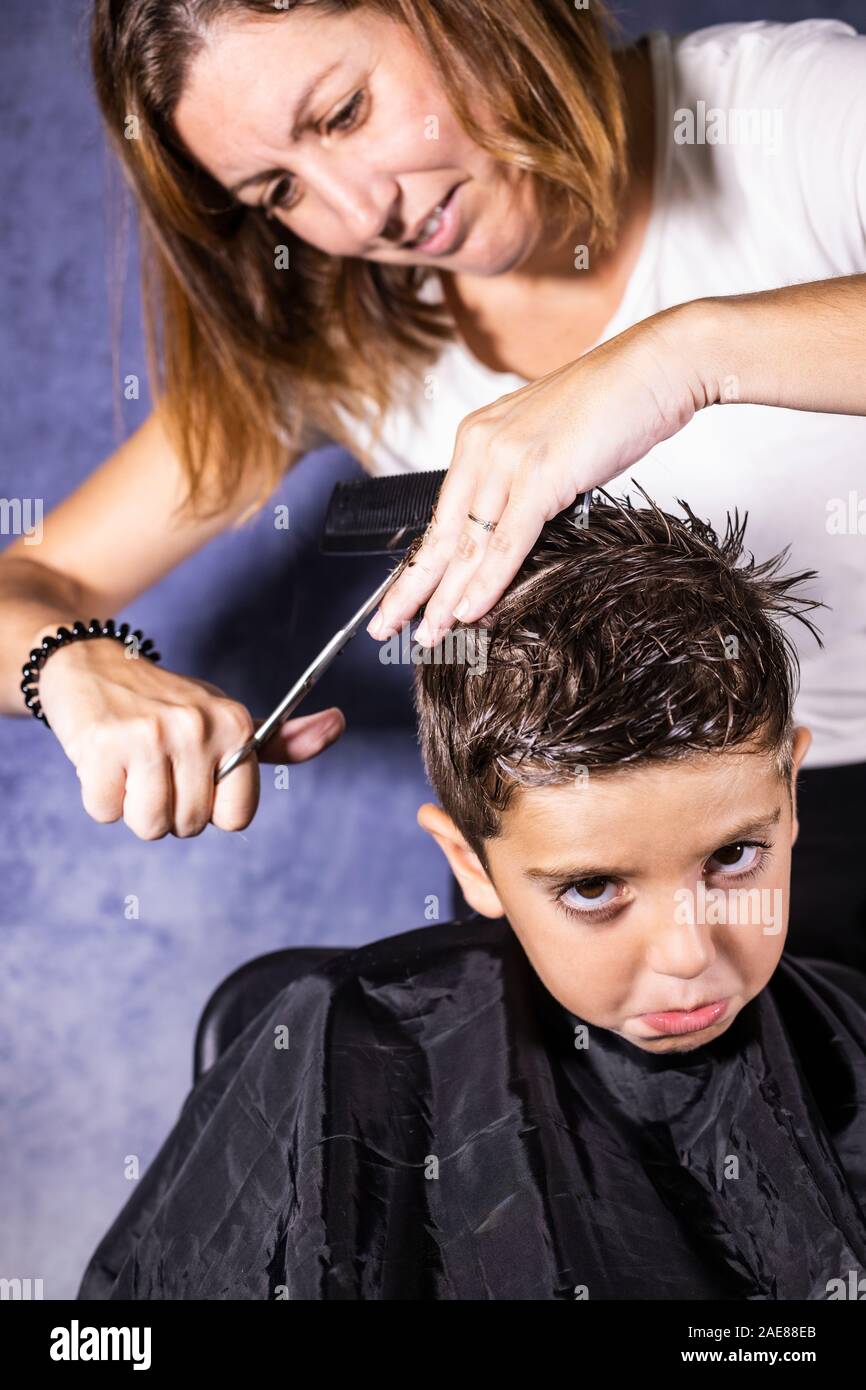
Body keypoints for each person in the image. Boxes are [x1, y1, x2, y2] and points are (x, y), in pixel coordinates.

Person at [2, 3, 865, 956]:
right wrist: (71, 665)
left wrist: (681, 358)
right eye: (279, 189)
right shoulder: (341, 340)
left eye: (344, 113)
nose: (361, 213)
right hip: (585, 881)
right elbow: (28, 587)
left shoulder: (792, 113)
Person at [77, 494, 866, 1300]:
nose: (689, 954)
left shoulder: (851, 1040)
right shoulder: (345, 1048)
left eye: (734, 856)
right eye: (593, 887)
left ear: (791, 798)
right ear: (472, 867)